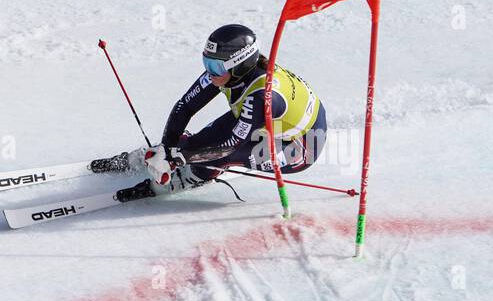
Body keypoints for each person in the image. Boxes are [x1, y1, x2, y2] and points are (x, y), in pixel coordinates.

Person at [102, 24, 328, 196]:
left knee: (218, 156)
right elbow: (185, 106)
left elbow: (229, 147)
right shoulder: (224, 73)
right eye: (206, 63)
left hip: (299, 147)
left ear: (239, 65)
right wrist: (168, 146)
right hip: (264, 122)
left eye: (215, 66)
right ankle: (162, 154)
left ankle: (191, 176)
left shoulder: (261, 97)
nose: (209, 72)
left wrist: (177, 160)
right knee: (195, 144)